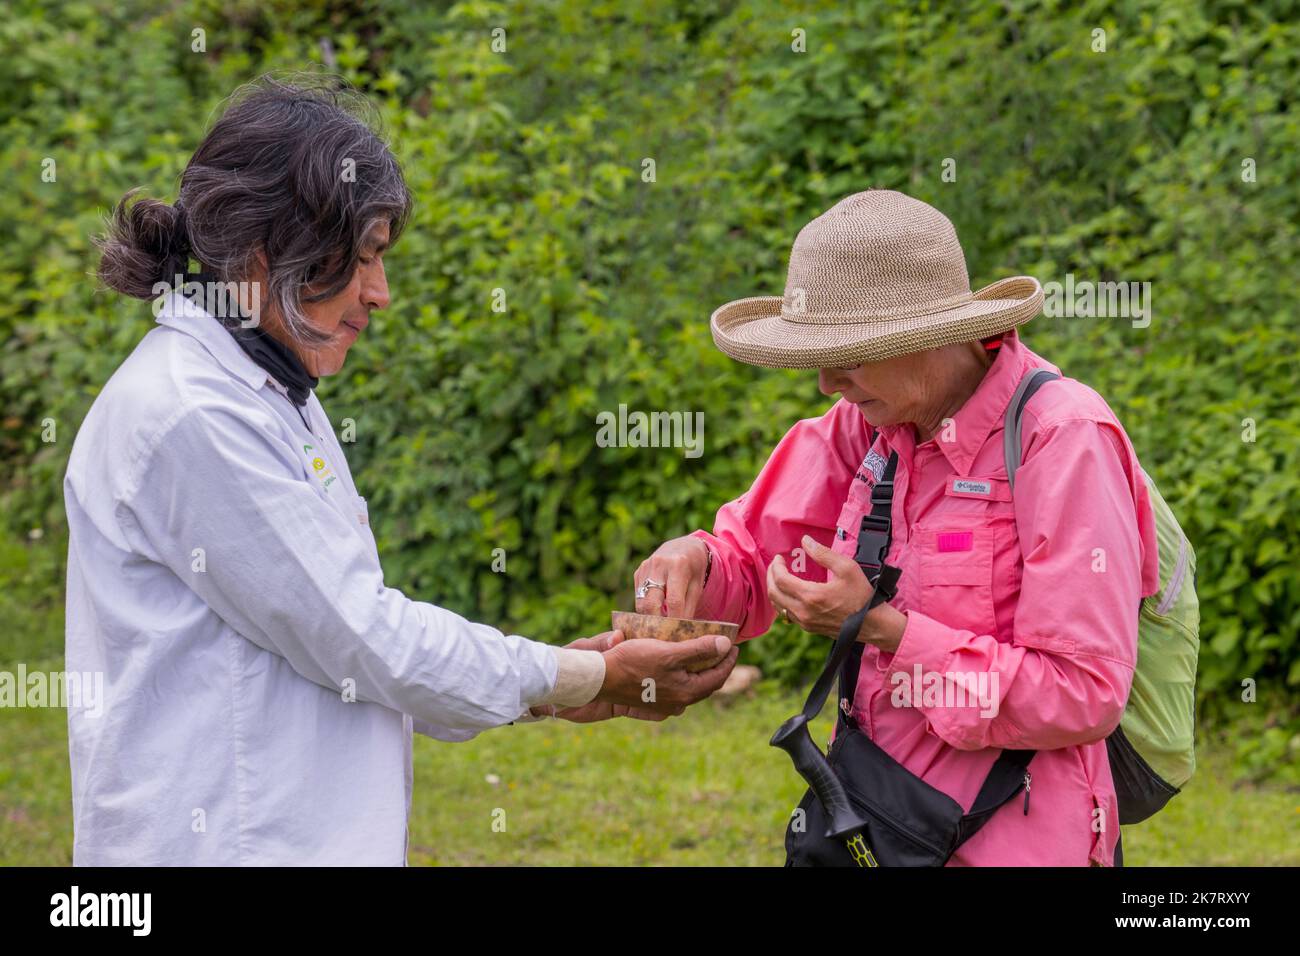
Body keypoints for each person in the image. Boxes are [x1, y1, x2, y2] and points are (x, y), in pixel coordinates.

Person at [66, 74, 736, 866]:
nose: (379, 294)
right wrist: (581, 675)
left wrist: (563, 691)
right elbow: (361, 636)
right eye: (359, 261)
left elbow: (345, 648)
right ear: (262, 253)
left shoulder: (269, 380)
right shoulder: (194, 413)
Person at [635, 189, 1159, 866]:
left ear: (926, 335)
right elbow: (751, 559)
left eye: (846, 355)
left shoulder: (1061, 439)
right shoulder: (868, 426)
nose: (826, 382)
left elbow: (1083, 693)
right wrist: (695, 562)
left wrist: (883, 628)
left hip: (1014, 840)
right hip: (877, 825)